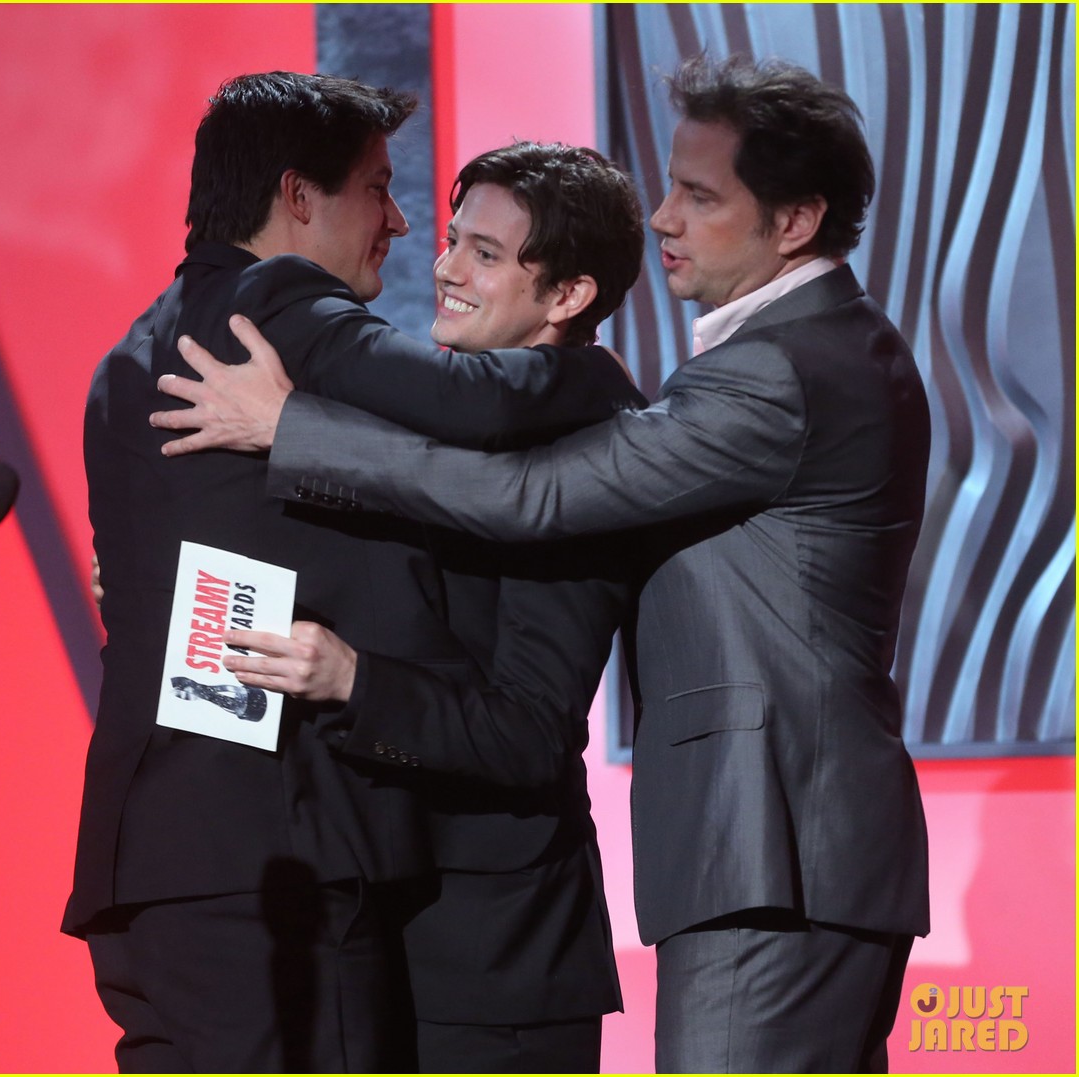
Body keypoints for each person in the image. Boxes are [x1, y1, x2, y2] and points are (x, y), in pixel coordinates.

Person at [153, 55, 932, 1073]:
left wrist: (292, 427)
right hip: (747, 854)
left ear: (794, 222)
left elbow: (539, 505)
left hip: (772, 847)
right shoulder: (790, 356)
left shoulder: (777, 372)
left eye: (700, 197)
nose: (665, 220)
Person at [73, 70, 643, 1072]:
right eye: (378, 188)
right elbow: (477, 407)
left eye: (480, 248)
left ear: (564, 290)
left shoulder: (130, 353)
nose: (405, 224)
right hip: (264, 865)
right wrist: (601, 376)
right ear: (299, 197)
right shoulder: (273, 301)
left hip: (169, 865)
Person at [219, 140, 647, 1074]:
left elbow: (527, 730)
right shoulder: (422, 411)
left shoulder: (592, 449)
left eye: (485, 255)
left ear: (568, 296)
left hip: (497, 967)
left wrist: (351, 678)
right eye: (453, 241)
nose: (443, 268)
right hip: (364, 928)